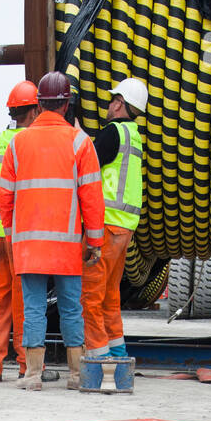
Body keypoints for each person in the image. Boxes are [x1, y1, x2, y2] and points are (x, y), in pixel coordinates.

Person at [0, 71, 105, 391]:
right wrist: (95, 241)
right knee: (72, 308)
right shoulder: (80, 142)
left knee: (32, 309)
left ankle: (32, 376)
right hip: (67, 247)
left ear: (39, 103)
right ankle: (75, 375)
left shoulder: (18, 143)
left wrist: (10, 235)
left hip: (29, 246)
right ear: (67, 102)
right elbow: (92, 197)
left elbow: (5, 197)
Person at [0, 81, 47, 384]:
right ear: (34, 109)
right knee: (24, 301)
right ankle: (25, 364)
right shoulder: (32, 142)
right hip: (20, 236)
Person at [82, 77, 147, 366]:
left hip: (105, 227)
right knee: (109, 296)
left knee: (90, 296)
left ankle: (99, 358)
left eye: (112, 100)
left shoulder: (113, 132)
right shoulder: (134, 135)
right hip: (125, 229)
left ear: (120, 103)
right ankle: (118, 352)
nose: (108, 106)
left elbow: (87, 166)